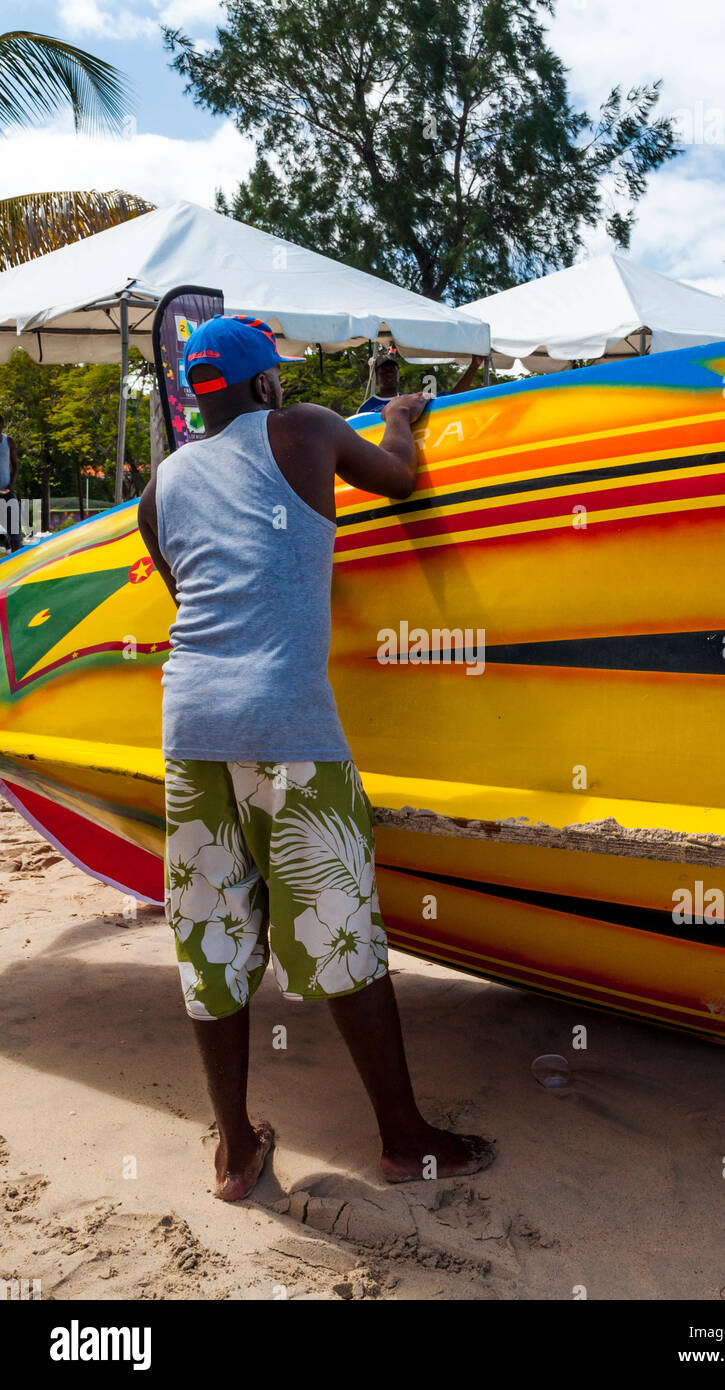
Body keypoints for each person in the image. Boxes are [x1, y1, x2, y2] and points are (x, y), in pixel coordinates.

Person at [137, 314, 495, 1202]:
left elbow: (201, 590)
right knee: (339, 927)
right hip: (288, 726)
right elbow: (400, 481)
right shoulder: (307, 428)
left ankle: (233, 1153)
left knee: (211, 934)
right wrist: (402, 414)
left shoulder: (161, 485)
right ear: (266, 385)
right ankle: (405, 1142)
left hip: (189, 726)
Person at [355, 350, 484, 415]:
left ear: (398, 375)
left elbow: (453, 396)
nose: (389, 374)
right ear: (376, 378)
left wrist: (474, 365)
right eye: (384, 371)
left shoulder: (412, 399)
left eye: (392, 371)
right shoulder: (366, 409)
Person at [0, 416, 21, 553]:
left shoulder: (8, 441)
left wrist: (11, 485)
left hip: (7, 491)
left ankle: (16, 559)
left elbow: (15, 465)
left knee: (14, 531)